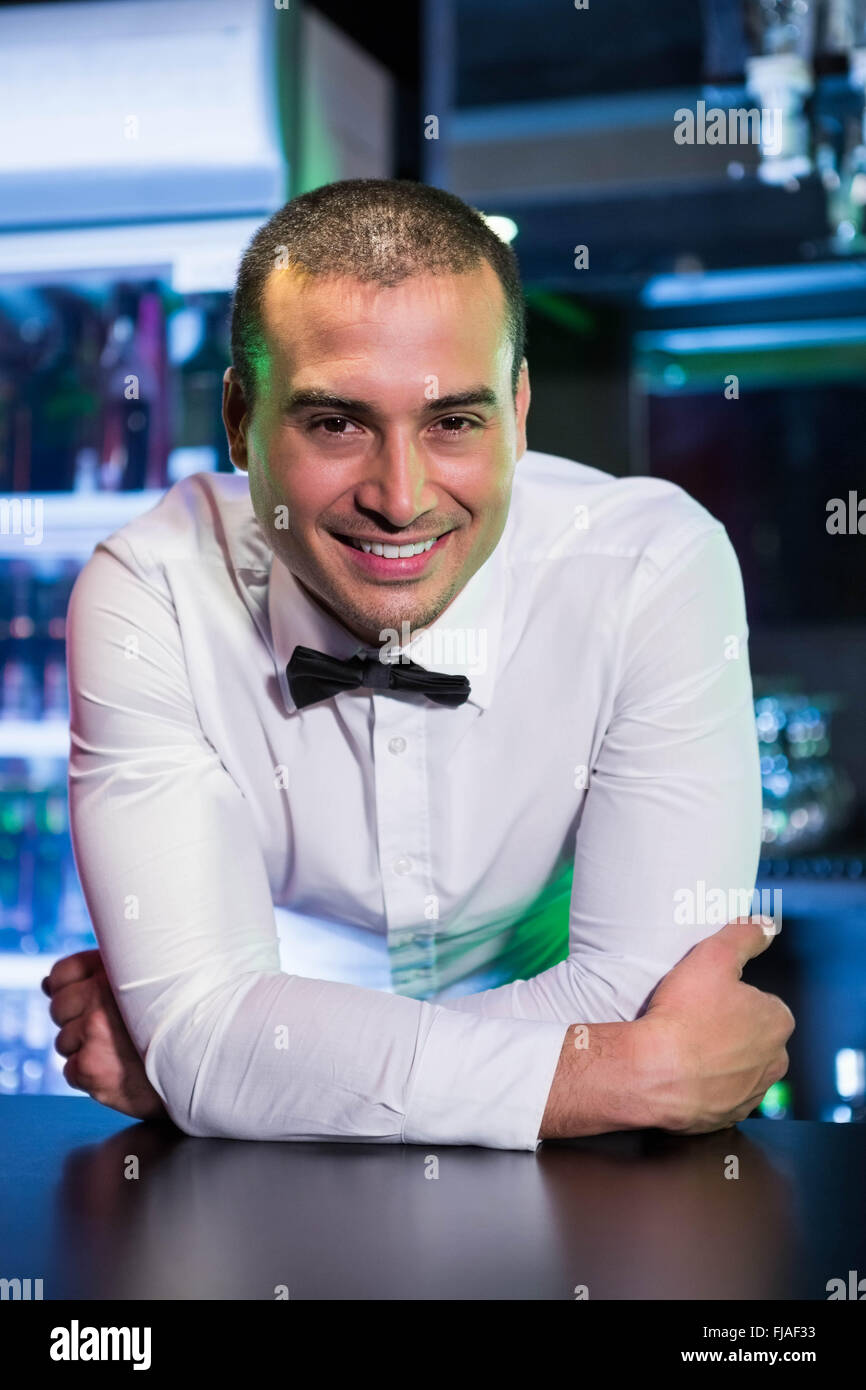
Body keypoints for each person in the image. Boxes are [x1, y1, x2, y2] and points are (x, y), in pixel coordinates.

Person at [43, 178, 793, 1149]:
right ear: (239, 421)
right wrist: (626, 1069)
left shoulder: (649, 566)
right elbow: (210, 1039)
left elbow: (631, 991)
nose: (399, 498)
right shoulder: (149, 594)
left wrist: (228, 1068)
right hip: (289, 1211)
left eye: (453, 423)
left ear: (517, 414)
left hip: (587, 1185)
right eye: (334, 423)